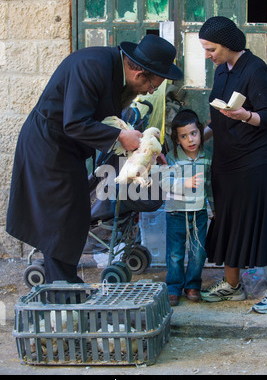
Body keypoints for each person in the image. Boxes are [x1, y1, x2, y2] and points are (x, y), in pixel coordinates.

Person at [6, 34, 183, 284]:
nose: (151, 91)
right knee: (62, 214)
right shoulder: (92, 66)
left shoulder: (115, 71)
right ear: (139, 74)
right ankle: (60, 285)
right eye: (153, 85)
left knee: (75, 213)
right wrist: (121, 137)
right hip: (47, 145)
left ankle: (62, 281)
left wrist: (146, 147)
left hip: (66, 147)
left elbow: (111, 121)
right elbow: (75, 122)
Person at [198, 16, 267, 313]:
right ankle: (233, 285)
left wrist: (244, 116)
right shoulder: (221, 70)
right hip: (226, 159)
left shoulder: (256, 70)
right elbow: (218, 113)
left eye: (211, 49)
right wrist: (199, 135)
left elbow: (266, 117)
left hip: (256, 160)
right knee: (228, 219)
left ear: (227, 45)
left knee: (266, 220)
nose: (208, 55)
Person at [161, 109, 214, 306]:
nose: (190, 140)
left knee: (198, 251)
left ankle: (193, 285)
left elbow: (210, 185)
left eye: (193, 133)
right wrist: (185, 182)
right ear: (177, 139)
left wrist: (213, 208)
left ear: (200, 133)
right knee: (175, 253)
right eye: (184, 136)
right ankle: (174, 287)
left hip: (199, 213)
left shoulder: (207, 157)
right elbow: (165, 183)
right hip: (175, 212)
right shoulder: (171, 157)